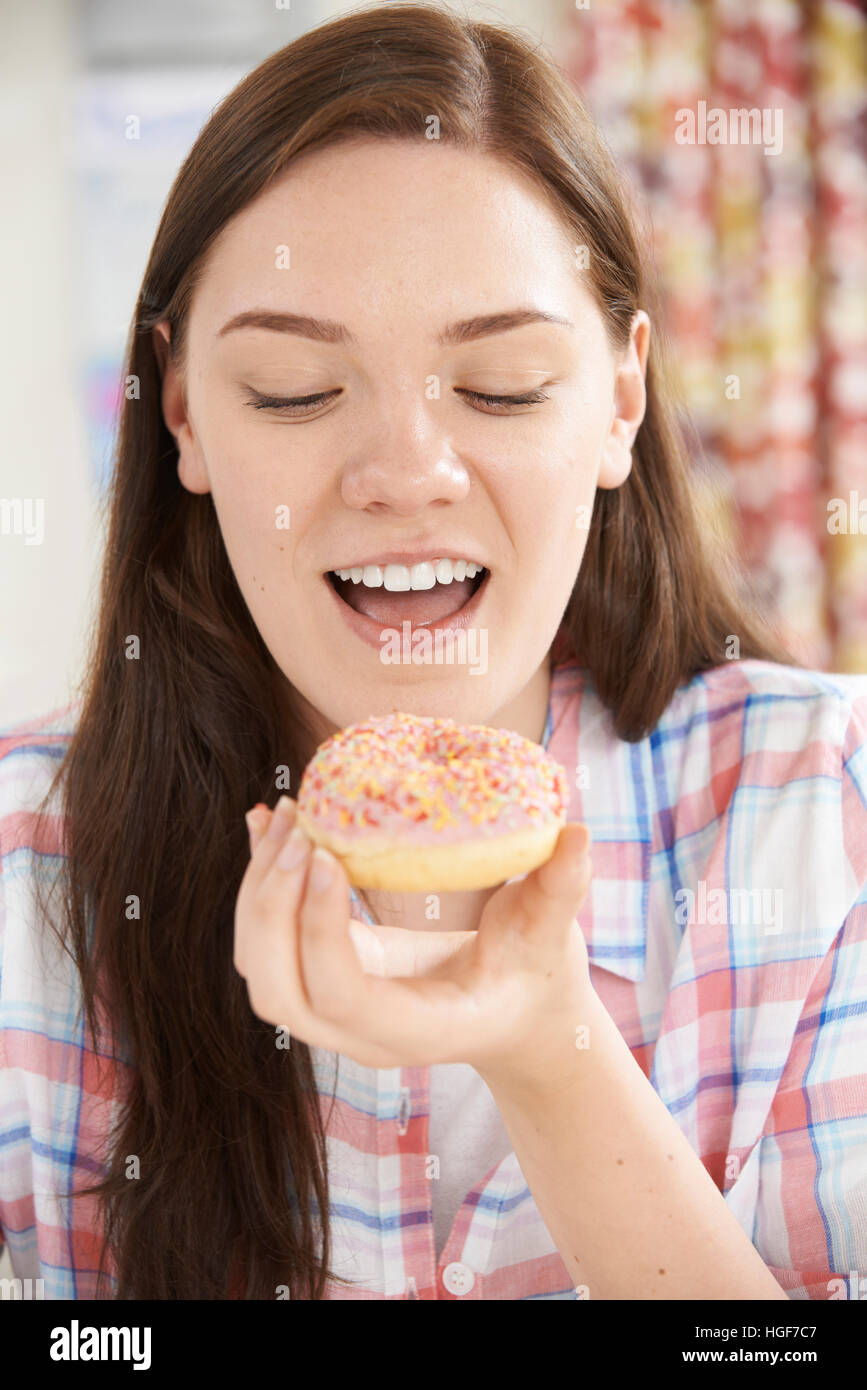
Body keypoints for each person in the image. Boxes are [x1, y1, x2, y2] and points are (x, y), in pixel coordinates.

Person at [1, 3, 865, 1302]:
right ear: (182, 413)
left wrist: (552, 1053)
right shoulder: (23, 863)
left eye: (503, 384)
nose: (406, 473)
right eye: (294, 389)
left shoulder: (829, 808)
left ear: (621, 402)